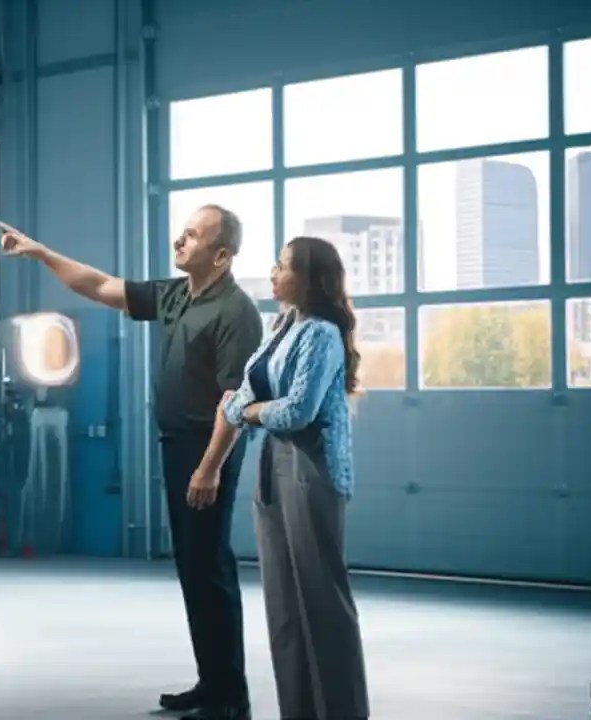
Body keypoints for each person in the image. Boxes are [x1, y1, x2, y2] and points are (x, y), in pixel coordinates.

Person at [0, 205, 263, 720]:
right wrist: (41, 253)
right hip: (177, 445)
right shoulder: (176, 293)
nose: (179, 240)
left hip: (207, 449)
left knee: (209, 568)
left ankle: (230, 697)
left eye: (192, 236)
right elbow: (99, 286)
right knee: (193, 567)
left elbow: (233, 402)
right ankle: (212, 683)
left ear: (222, 254)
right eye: (182, 232)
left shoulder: (236, 312)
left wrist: (208, 469)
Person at [214, 235, 371, 720]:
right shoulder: (281, 325)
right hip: (272, 466)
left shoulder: (321, 333)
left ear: (308, 278)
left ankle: (342, 713)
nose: (274, 272)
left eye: (283, 266)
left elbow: (297, 411)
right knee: (282, 605)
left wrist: (252, 410)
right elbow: (240, 394)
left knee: (321, 598)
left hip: (311, 469)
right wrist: (251, 407)